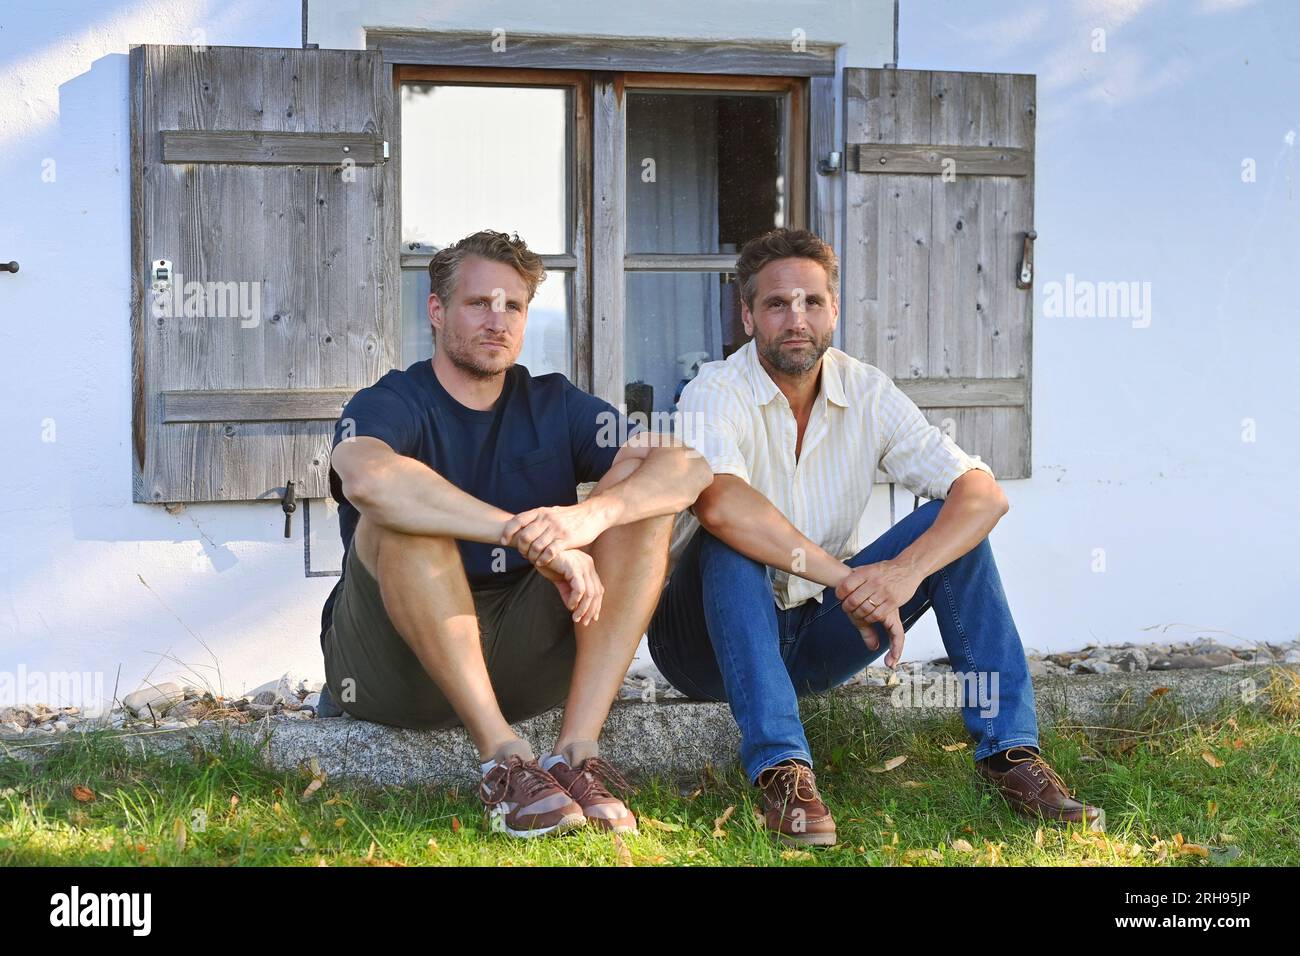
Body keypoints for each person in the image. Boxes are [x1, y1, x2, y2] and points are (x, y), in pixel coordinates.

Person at [647, 227, 1102, 847]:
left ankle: (1010, 757)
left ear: (834, 310)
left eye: (811, 301)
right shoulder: (715, 390)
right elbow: (723, 505)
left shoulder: (866, 390)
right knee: (731, 539)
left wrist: (903, 574)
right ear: (748, 315)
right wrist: (848, 578)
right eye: (777, 304)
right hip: (705, 644)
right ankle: (783, 769)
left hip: (811, 639)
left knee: (955, 532)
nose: (796, 318)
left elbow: (984, 495)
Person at [321, 229, 712, 838]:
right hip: (396, 667)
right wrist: (518, 532)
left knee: (643, 495)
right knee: (401, 520)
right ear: (436, 310)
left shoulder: (550, 401)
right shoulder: (392, 400)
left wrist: (588, 518)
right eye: (479, 303)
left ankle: (576, 753)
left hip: (524, 657)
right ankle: (504, 760)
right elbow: (367, 479)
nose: (497, 321)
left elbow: (690, 468)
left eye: (513, 306)